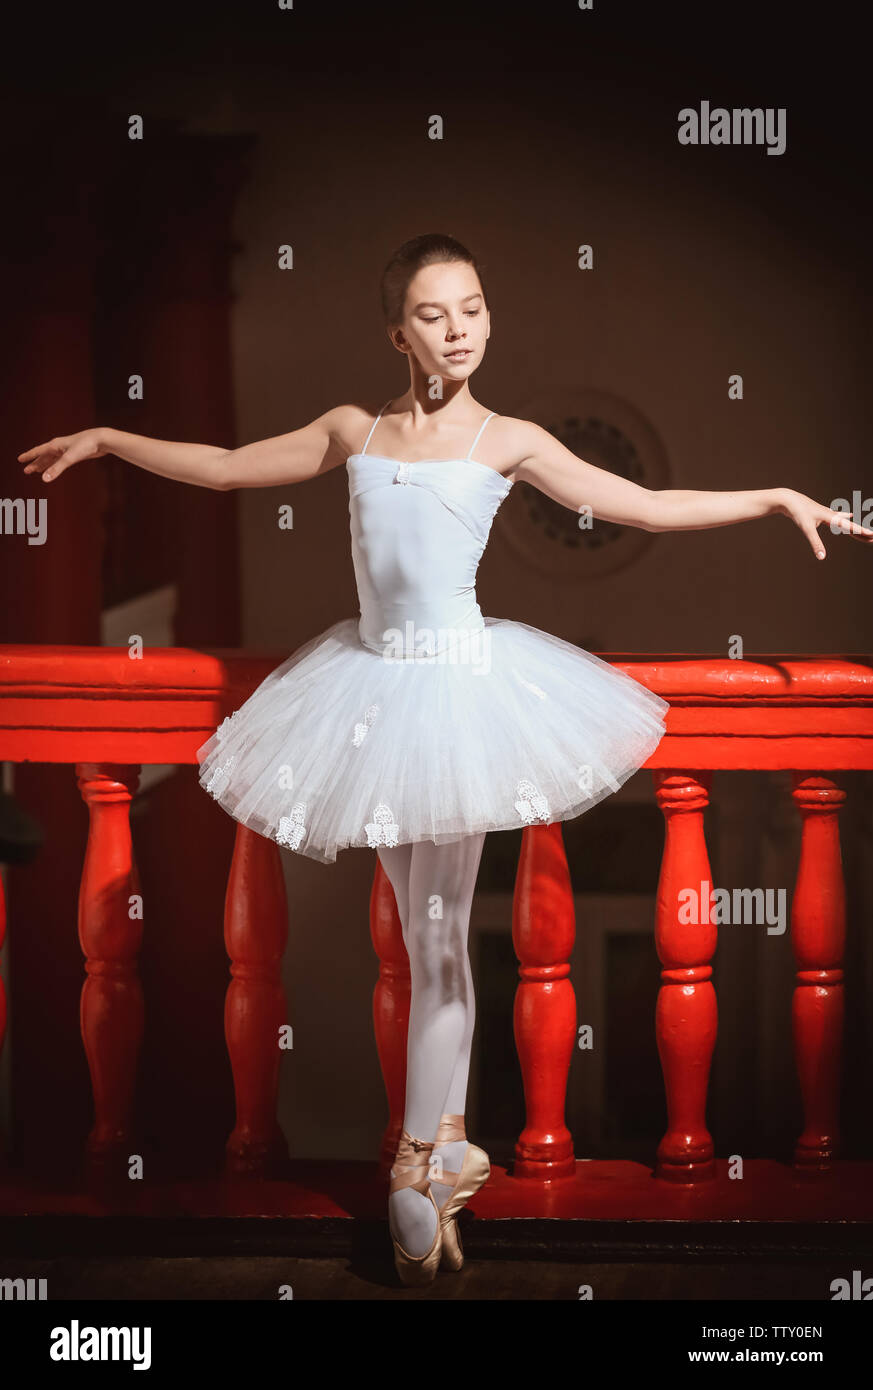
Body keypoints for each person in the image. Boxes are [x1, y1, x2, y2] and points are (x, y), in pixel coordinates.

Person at [20, 233, 873, 1287]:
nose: (460, 327)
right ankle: (444, 1148)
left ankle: (420, 1167)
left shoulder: (508, 440)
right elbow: (234, 467)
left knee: (436, 937)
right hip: (373, 691)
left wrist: (776, 497)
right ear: (397, 332)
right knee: (424, 942)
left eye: (473, 307)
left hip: (464, 690)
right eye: (435, 313)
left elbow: (641, 503)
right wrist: (111, 436)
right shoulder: (356, 429)